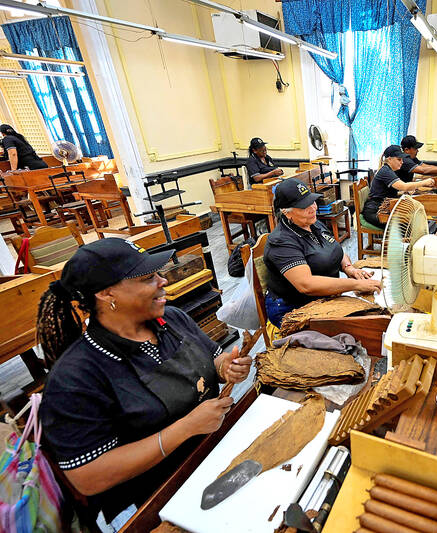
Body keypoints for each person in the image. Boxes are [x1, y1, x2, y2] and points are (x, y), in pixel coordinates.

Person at [36, 239, 252, 527]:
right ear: (105, 293)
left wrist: (225, 367)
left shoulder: (171, 319)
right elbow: (88, 477)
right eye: (148, 278)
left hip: (216, 455)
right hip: (158, 498)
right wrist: (185, 428)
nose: (163, 281)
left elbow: (214, 360)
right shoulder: (76, 377)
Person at [263, 178, 381, 327]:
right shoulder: (281, 242)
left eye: (312, 201)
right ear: (287, 213)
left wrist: (348, 267)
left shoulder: (314, 223)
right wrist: (355, 285)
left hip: (324, 296)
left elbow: (334, 249)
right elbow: (306, 285)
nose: (312, 208)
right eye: (303, 206)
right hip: (293, 307)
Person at [361, 145, 435, 229]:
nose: (402, 162)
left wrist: (402, 192)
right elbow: (404, 186)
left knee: (422, 223)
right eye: (399, 159)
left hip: (381, 207)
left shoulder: (390, 171)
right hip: (375, 212)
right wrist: (425, 182)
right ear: (389, 159)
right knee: (411, 226)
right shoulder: (385, 171)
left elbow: (387, 192)